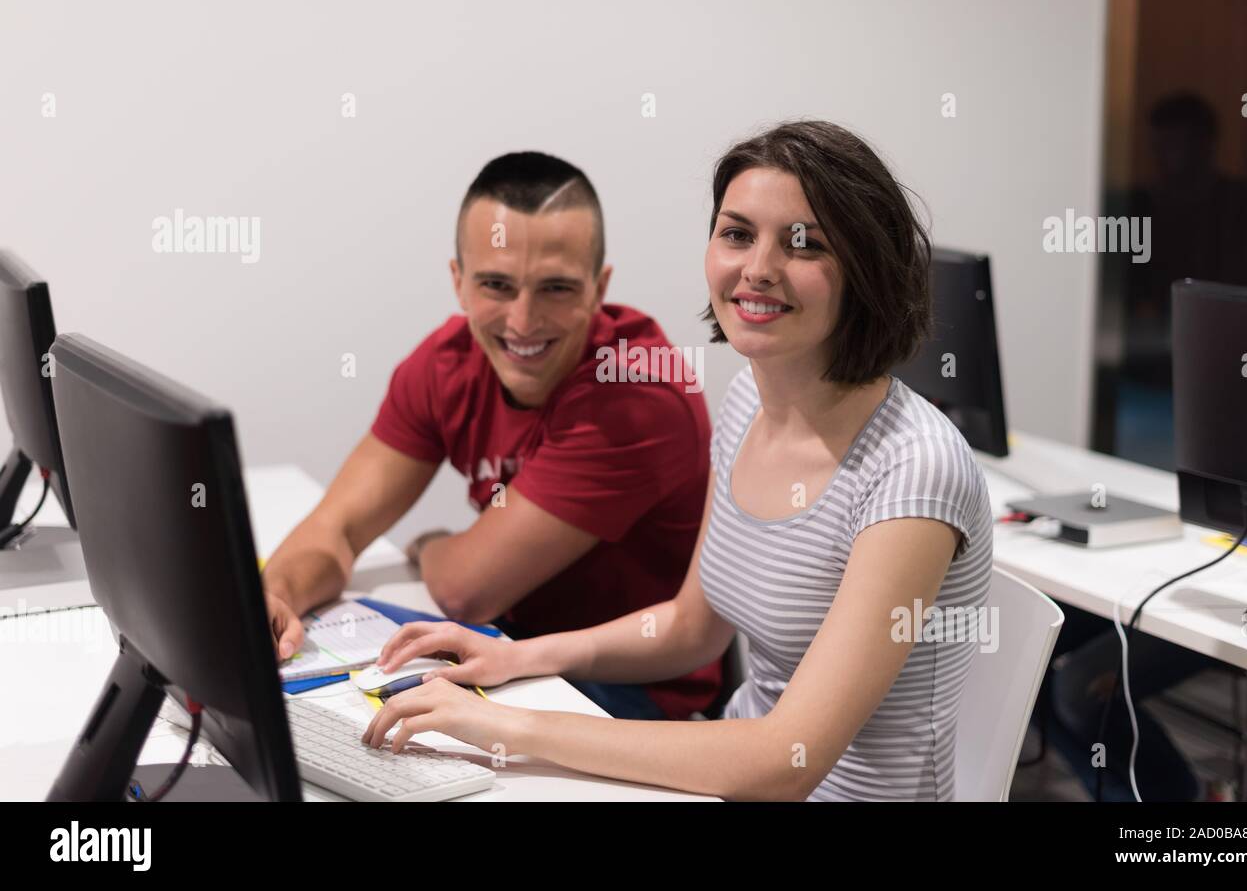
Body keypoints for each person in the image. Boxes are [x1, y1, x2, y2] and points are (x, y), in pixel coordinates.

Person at [361, 120, 995, 801]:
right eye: (738, 233)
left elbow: (786, 760)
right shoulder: (747, 409)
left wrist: (507, 725)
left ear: (866, 268)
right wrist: (521, 656)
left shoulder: (914, 467)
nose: (757, 268)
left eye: (804, 242)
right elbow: (692, 626)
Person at [262, 151, 721, 721]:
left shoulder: (636, 396)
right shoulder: (445, 364)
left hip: (623, 691)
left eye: (555, 288)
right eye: (497, 285)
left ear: (599, 288)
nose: (523, 321)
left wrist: (429, 545)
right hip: (501, 644)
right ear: (458, 281)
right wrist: (276, 595)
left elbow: (466, 590)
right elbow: (336, 529)